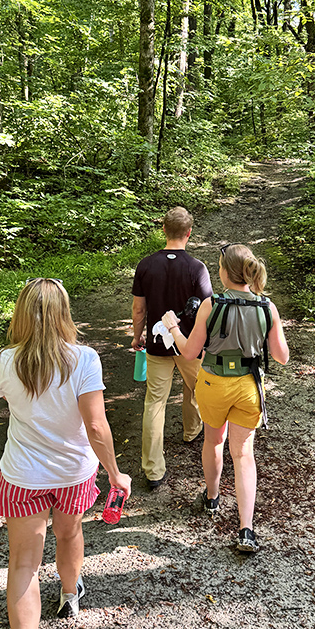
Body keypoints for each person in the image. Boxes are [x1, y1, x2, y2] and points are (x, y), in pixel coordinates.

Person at [0, 278, 131, 629]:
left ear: (21, 314)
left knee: (24, 565)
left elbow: (18, 408)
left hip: (23, 476)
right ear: (64, 314)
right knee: (69, 533)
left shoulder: (5, 361)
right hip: (73, 474)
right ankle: (70, 596)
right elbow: (96, 425)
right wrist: (116, 473)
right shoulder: (84, 359)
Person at [162, 243, 289, 552]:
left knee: (214, 441)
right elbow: (282, 356)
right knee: (243, 454)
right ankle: (246, 530)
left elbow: (189, 352)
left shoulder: (211, 305)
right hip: (248, 386)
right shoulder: (266, 307)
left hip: (214, 383)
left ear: (225, 273)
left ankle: (212, 498)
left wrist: (174, 328)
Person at [132, 206, 213, 490]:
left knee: (155, 402)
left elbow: (139, 309)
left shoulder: (145, 265)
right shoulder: (196, 268)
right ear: (189, 233)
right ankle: (192, 431)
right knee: (197, 388)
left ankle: (153, 470)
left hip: (157, 345)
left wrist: (137, 336)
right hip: (190, 344)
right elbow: (208, 310)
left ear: (164, 229)